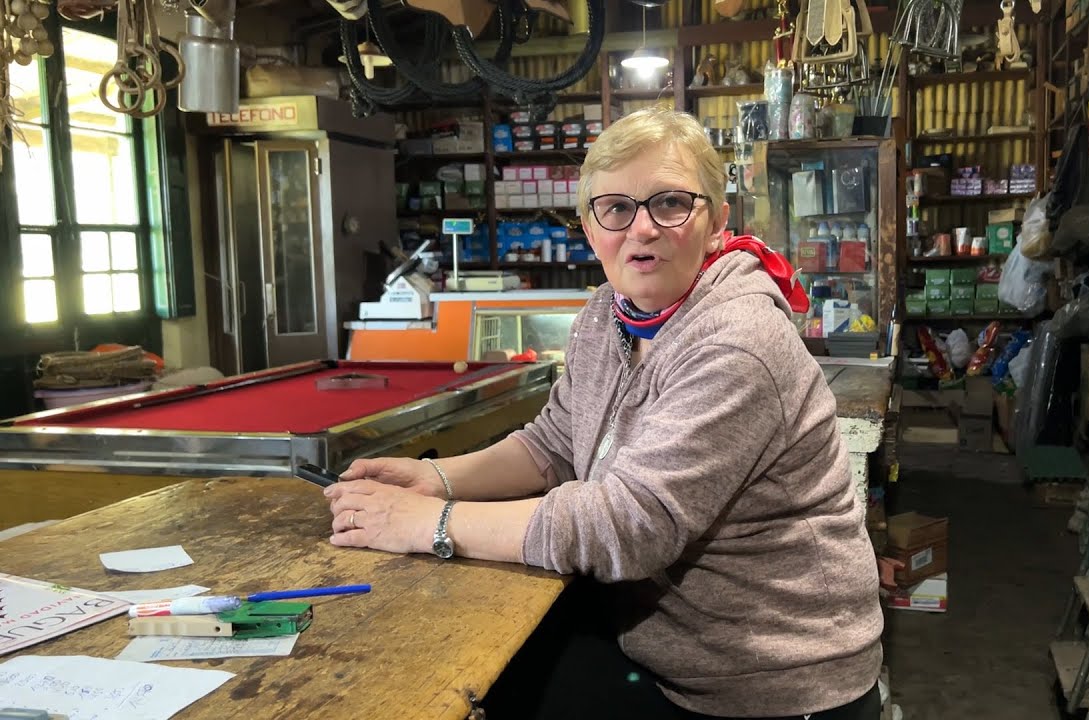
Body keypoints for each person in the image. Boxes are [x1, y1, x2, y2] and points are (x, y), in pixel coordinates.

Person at [325, 107, 884, 719]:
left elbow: (629, 525)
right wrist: (435, 477)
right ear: (590, 229)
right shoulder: (605, 313)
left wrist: (428, 522)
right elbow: (557, 443)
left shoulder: (736, 341)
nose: (641, 229)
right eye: (616, 208)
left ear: (718, 223)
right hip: (660, 645)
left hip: (768, 685)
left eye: (669, 203)